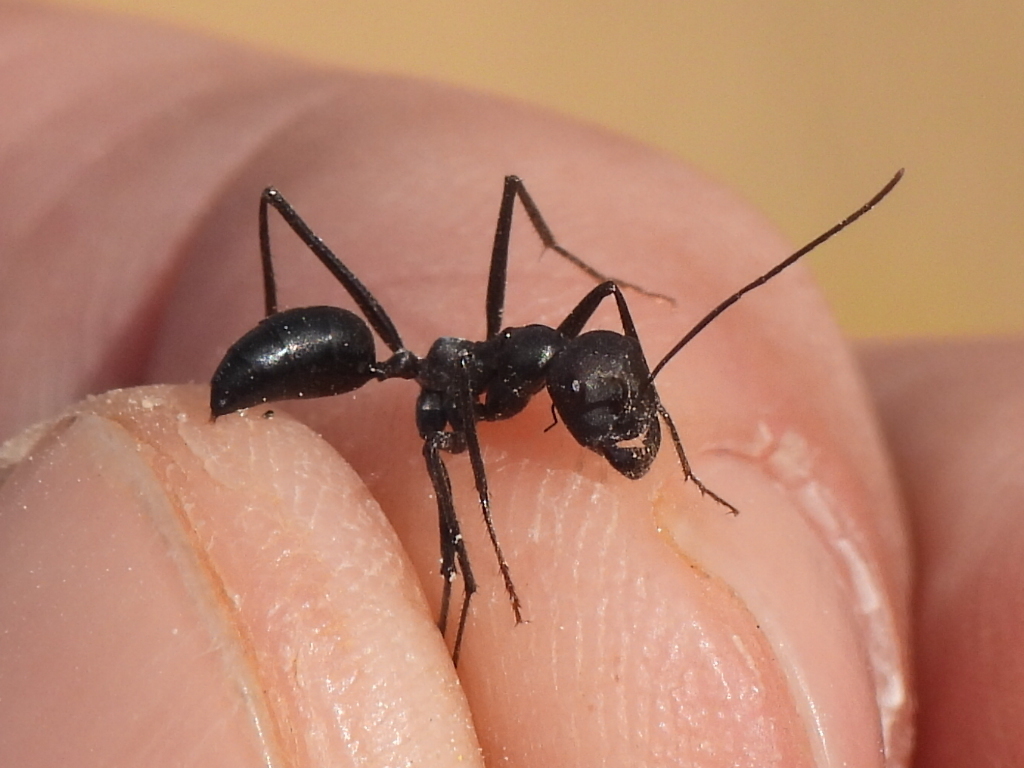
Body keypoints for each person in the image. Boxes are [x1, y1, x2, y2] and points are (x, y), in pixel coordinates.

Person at [0, 6, 1020, 767]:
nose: (607, 420)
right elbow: (455, 434)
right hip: (341, 358)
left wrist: (652, 426)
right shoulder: (468, 381)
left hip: (418, 363)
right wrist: (479, 531)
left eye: (606, 407)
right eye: (602, 406)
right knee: (400, 380)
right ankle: (442, 557)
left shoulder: (545, 353)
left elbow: (606, 320)